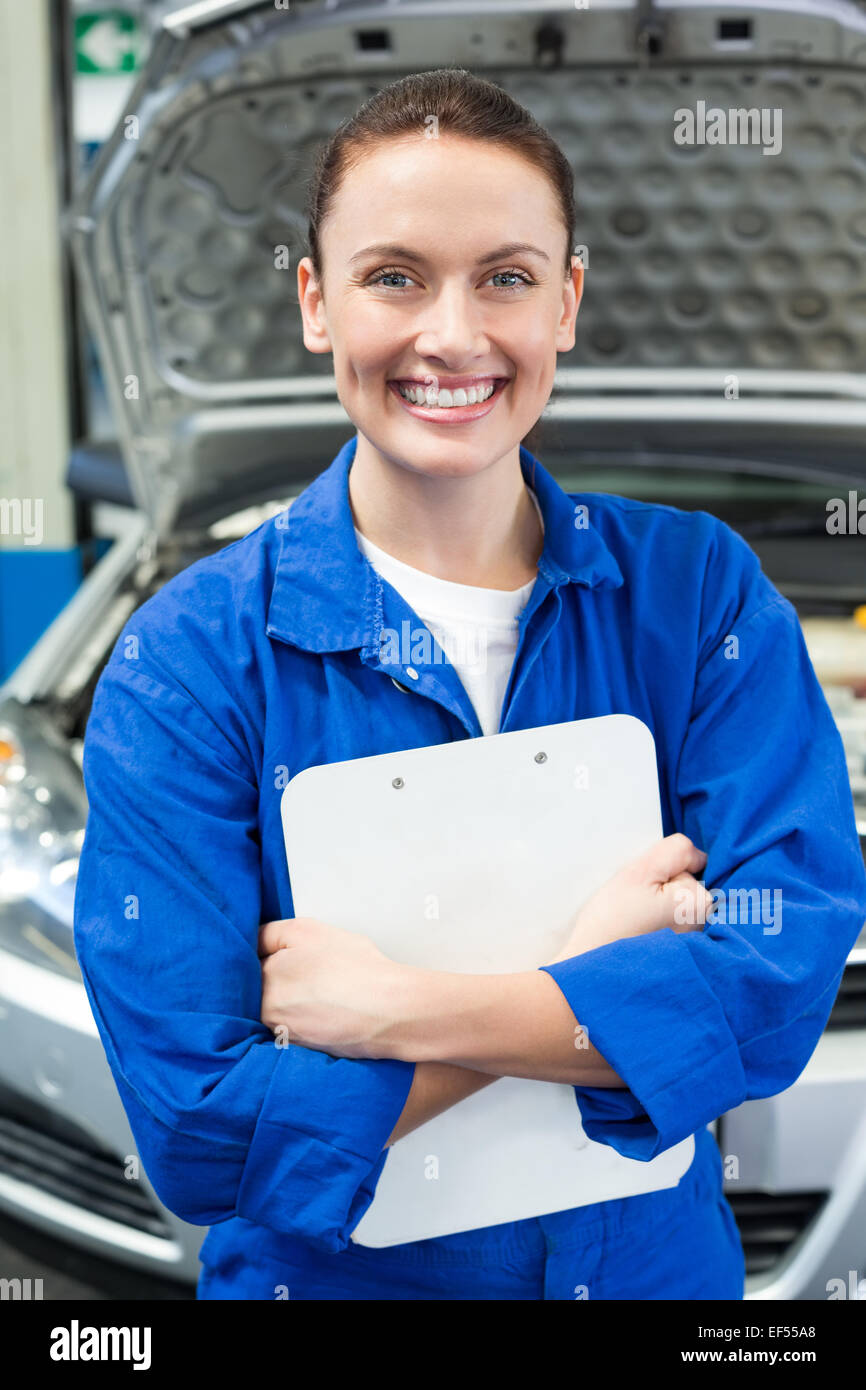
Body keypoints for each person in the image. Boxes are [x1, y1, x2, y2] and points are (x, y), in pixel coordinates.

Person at [73, 68, 866, 1301]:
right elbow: (196, 1132)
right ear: (314, 303)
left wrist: (394, 1010)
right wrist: (596, 986)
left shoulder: (696, 592)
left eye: (505, 275)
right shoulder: (187, 660)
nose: (452, 335)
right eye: (394, 276)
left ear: (566, 302)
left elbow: (775, 986)